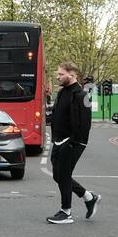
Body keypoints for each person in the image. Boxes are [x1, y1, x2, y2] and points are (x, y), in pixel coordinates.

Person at [47, 62, 98, 224]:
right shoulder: (62, 93)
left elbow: (86, 124)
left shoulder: (83, 96)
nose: (58, 77)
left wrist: (72, 142)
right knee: (57, 175)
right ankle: (89, 197)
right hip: (59, 141)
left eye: (61, 74)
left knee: (64, 175)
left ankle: (66, 212)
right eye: (58, 74)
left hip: (73, 143)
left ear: (72, 74)